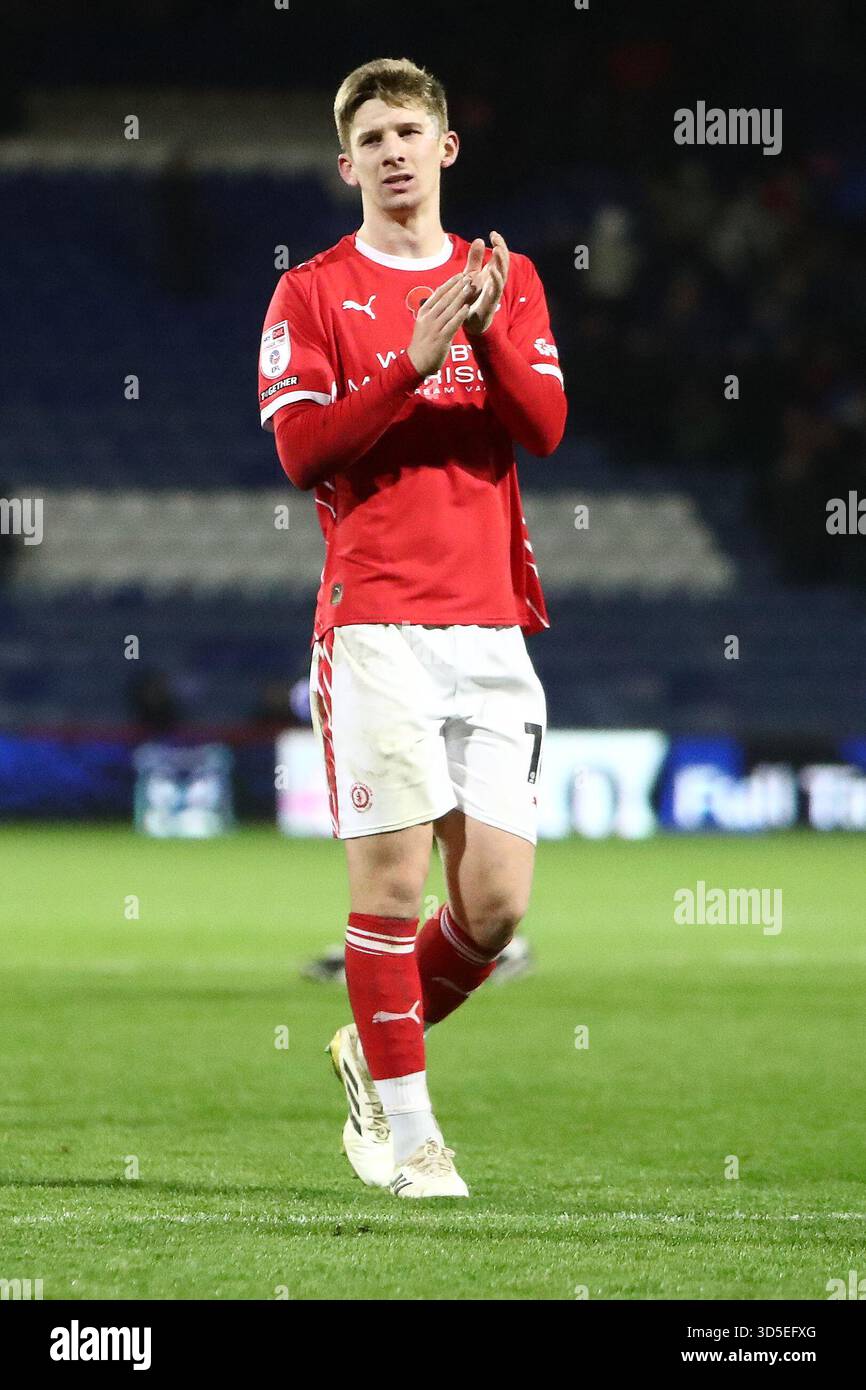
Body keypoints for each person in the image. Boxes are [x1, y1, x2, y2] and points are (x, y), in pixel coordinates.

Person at [257, 57, 566, 1198]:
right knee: (388, 890)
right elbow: (302, 454)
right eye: (371, 138)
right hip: (374, 620)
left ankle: (366, 1041)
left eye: (409, 131)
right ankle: (410, 1135)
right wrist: (410, 362)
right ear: (348, 166)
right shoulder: (312, 295)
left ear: (444, 149)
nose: (392, 151)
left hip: (490, 625)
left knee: (492, 906)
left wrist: (479, 337)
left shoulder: (509, 280)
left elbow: (542, 430)